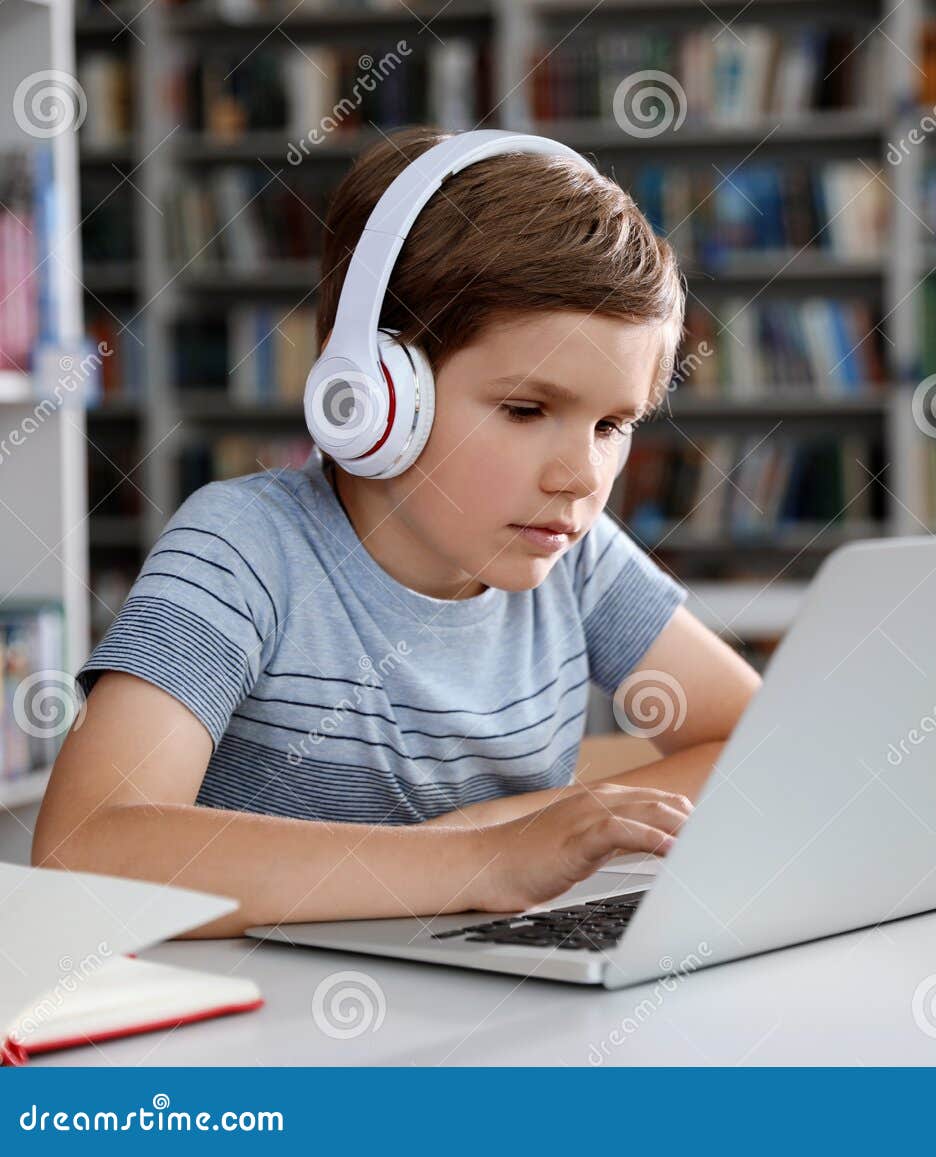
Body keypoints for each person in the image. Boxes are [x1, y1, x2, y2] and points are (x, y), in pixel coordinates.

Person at [32, 127, 761, 938]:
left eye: (612, 423)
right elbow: (81, 855)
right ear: (377, 395)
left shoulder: (575, 556)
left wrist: (513, 828)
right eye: (526, 410)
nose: (582, 476)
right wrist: (485, 861)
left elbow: (758, 738)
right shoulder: (244, 549)